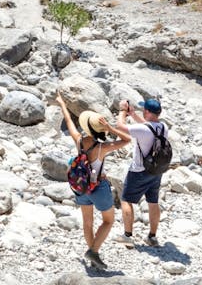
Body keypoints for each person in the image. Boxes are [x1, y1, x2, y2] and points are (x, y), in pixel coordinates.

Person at [56, 94, 131, 270]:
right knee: (108, 221)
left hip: (80, 187)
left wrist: (62, 104)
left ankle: (92, 256)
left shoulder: (79, 141)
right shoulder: (102, 148)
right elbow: (127, 140)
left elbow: (69, 123)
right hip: (98, 187)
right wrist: (110, 128)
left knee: (87, 222)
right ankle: (94, 251)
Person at [116, 97, 168, 247]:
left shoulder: (142, 129)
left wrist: (122, 111)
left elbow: (120, 126)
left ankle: (127, 236)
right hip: (157, 170)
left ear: (146, 111)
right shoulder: (163, 127)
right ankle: (152, 237)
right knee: (153, 202)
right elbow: (148, 127)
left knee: (126, 200)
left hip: (139, 170)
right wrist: (132, 114)